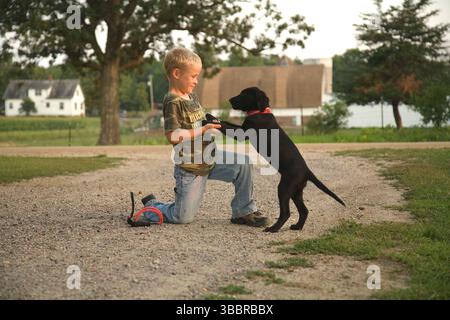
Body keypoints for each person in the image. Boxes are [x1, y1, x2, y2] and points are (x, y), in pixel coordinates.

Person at [141, 47, 268, 227]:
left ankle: (243, 211)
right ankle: (154, 207)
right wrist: (203, 129)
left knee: (243, 163)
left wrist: (215, 123)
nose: (196, 81)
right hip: (191, 168)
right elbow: (173, 135)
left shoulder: (190, 96)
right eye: (193, 76)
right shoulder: (172, 102)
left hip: (210, 157)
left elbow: (199, 120)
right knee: (182, 217)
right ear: (177, 73)